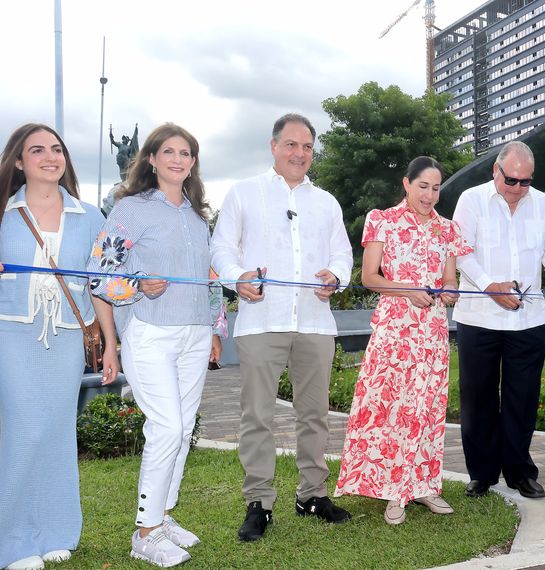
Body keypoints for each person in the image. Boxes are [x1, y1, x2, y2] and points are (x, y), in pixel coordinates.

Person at [87, 123, 225, 568]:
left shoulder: (196, 215)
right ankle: (144, 533)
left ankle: (163, 517)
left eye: (186, 153)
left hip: (194, 334)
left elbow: (209, 279)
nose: (178, 160)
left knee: (182, 429)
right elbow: (99, 274)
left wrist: (216, 329)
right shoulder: (131, 209)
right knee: (166, 427)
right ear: (151, 159)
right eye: (169, 151)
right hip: (150, 333)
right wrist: (138, 285)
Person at [211, 113, 354, 541]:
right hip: (261, 320)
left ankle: (312, 494)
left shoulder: (326, 202)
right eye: (291, 144)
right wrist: (237, 277)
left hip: (314, 320)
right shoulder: (243, 193)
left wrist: (336, 275)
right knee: (257, 415)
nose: (300, 153)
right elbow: (220, 247)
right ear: (273, 146)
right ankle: (259, 502)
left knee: (315, 415)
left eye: (307, 146)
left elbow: (343, 254)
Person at [0, 124, 119, 570]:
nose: (50, 157)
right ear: (18, 161)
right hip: (11, 337)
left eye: (56, 149)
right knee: (21, 432)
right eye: (37, 150)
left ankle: (56, 528)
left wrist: (110, 344)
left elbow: (100, 286)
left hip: (68, 337)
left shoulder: (90, 217)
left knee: (55, 432)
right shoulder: (3, 212)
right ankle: (12, 540)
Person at [334, 157, 472, 525]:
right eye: (423, 186)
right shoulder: (383, 219)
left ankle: (424, 485)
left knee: (427, 406)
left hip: (431, 332)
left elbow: (450, 280)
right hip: (395, 329)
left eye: (436, 187)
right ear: (406, 184)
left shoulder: (446, 229)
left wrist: (450, 292)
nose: (430, 194)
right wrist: (408, 290)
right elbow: (370, 276)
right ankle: (394, 490)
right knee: (393, 405)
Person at [452, 141, 545, 500]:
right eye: (512, 180)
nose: (518, 188)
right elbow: (460, 253)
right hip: (478, 316)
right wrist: (490, 287)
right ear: (496, 171)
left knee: (522, 398)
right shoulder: (470, 200)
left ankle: (520, 471)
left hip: (528, 317)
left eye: (526, 182)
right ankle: (482, 474)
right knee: (478, 398)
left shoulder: (543, 205)